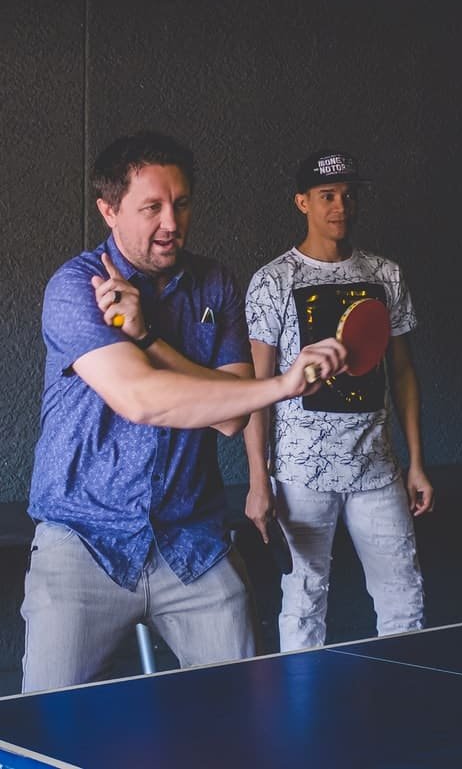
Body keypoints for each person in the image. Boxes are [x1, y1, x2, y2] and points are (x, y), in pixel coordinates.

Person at [21, 130, 347, 691]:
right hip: (83, 539)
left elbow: (228, 416)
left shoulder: (214, 283)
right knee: (44, 728)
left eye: (182, 203)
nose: (171, 222)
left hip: (191, 541)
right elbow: (142, 400)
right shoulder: (78, 286)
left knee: (242, 715)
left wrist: (148, 338)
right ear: (109, 210)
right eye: (151, 207)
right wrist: (283, 386)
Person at [244, 148, 434, 651]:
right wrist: (258, 482)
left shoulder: (385, 274)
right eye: (327, 196)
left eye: (348, 196)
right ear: (302, 202)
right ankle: (302, 717)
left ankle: (406, 705)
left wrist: (416, 463)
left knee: (404, 600)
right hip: (301, 476)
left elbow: (405, 373)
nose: (340, 207)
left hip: (377, 471)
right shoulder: (273, 281)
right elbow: (256, 391)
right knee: (304, 602)